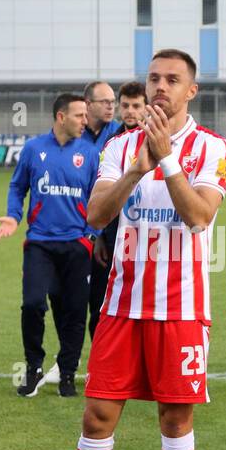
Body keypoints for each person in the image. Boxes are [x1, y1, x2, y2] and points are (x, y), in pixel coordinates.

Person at [22, 49, 226, 450]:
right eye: (154, 78)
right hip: (122, 305)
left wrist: (167, 161)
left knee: (174, 419)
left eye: (172, 80)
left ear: (192, 91)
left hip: (182, 310)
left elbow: (200, 216)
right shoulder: (118, 147)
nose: (160, 87)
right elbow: (93, 215)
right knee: (96, 417)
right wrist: (138, 168)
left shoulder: (212, 149)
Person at [0, 93, 100, 398]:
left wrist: (91, 235)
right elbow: (18, 186)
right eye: (80, 115)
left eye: (86, 116)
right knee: (33, 304)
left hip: (77, 245)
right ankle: (33, 368)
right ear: (60, 117)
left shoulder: (91, 153)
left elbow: (101, 195)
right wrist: (14, 216)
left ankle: (67, 373)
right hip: (40, 244)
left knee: (74, 312)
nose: (85, 121)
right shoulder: (33, 149)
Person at [90, 81, 146, 338]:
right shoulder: (113, 143)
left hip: (146, 240)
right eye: (125, 105)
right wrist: (98, 235)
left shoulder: (159, 141)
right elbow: (100, 194)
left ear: (146, 107)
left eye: (136, 105)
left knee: (140, 308)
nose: (130, 111)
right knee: (100, 307)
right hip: (112, 239)